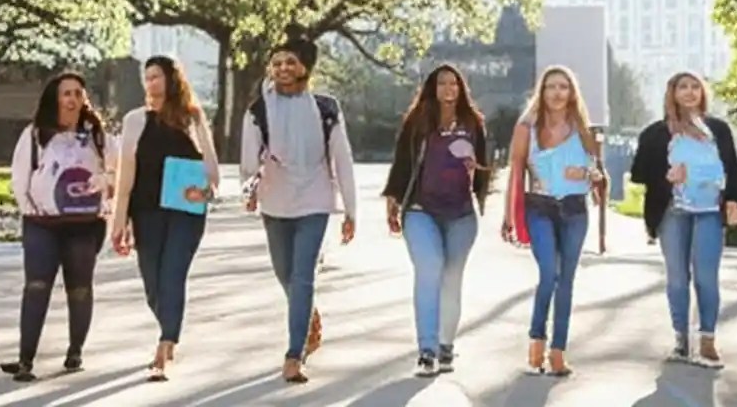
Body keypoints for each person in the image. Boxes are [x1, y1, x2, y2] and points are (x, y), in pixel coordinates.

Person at [240, 26, 358, 384]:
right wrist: (249, 187)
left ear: (305, 68)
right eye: (276, 63)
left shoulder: (326, 108)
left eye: (290, 62)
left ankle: (295, 355)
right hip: (275, 199)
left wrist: (351, 210)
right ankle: (309, 316)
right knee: (285, 275)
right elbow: (249, 161)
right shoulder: (258, 109)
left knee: (302, 276)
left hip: (315, 198)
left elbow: (343, 159)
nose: (282, 68)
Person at [111, 56, 220, 381]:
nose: (151, 83)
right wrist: (119, 220)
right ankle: (168, 327)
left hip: (185, 213)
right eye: (147, 77)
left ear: (172, 80)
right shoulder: (135, 120)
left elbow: (212, 173)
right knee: (152, 283)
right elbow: (125, 175)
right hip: (146, 211)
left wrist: (204, 190)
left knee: (172, 274)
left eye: (157, 76)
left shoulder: (192, 117)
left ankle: (165, 343)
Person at [0, 72, 113, 382]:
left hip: (84, 225)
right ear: (55, 99)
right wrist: (32, 211)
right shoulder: (35, 136)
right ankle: (26, 360)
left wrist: (104, 184)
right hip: (42, 225)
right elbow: (19, 178)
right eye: (67, 93)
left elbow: (117, 172)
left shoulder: (98, 137)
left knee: (80, 289)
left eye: (78, 93)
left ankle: (75, 351)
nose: (73, 99)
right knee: (36, 286)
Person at [381, 64, 490, 377]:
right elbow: (402, 162)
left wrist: (479, 176)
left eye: (454, 84)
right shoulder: (418, 121)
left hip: (461, 215)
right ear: (432, 88)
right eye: (442, 83)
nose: (448, 89)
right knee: (429, 270)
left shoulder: (473, 122)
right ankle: (426, 350)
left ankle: (445, 346)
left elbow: (484, 167)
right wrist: (393, 199)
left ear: (461, 89)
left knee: (451, 279)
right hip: (420, 210)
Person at [630, 72, 737, 368]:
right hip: (672, 211)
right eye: (683, 87)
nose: (690, 92)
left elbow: (732, 168)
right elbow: (639, 172)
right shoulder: (656, 133)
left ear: (703, 93)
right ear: (672, 93)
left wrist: (734, 201)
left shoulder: (717, 129)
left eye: (695, 87)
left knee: (706, 276)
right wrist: (667, 175)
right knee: (678, 277)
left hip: (709, 210)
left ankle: (707, 342)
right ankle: (681, 341)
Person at [501, 65, 606, 377]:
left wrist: (588, 174)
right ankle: (537, 338)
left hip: (575, 210)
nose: (558, 93)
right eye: (551, 87)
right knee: (550, 273)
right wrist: (508, 215)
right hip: (539, 209)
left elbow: (598, 174)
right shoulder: (526, 128)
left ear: (572, 93)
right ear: (541, 92)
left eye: (564, 87)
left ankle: (558, 350)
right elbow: (516, 172)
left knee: (567, 281)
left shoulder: (583, 129)